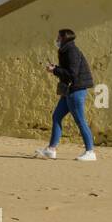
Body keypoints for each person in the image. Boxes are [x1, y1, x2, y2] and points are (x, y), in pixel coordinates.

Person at [34, 28, 97, 161]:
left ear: (64, 38)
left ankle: (90, 151)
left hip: (76, 90)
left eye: (58, 37)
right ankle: (51, 150)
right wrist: (56, 68)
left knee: (80, 121)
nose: (56, 40)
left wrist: (54, 70)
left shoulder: (71, 51)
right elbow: (68, 70)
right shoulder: (66, 51)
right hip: (69, 90)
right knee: (57, 116)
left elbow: (72, 74)